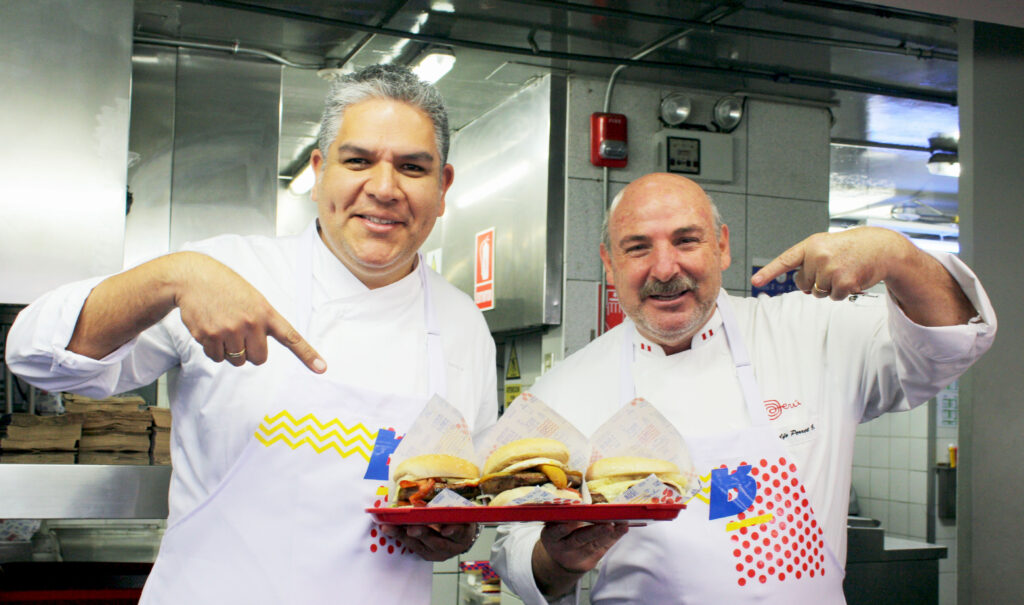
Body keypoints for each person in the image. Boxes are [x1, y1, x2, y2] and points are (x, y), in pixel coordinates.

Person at [5, 64, 497, 604]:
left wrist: (452, 532)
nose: (383, 188)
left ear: (443, 186)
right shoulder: (225, 270)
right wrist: (171, 275)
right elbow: (34, 355)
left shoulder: (463, 325)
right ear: (318, 172)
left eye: (411, 167)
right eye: (357, 161)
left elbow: (465, 495)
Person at [491, 172, 996, 604]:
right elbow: (513, 552)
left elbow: (952, 341)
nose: (665, 269)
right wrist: (557, 559)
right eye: (638, 247)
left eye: (686, 240)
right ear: (608, 262)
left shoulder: (814, 332)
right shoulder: (564, 389)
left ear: (722, 246)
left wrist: (896, 255)